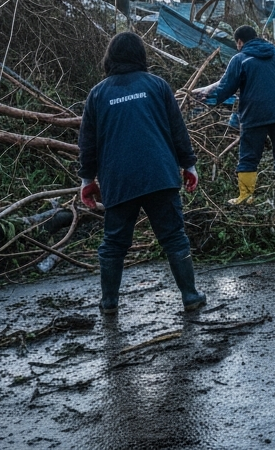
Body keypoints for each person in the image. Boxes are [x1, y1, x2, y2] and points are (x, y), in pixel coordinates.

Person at [78, 32, 205, 316]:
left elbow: (88, 143)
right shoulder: (158, 86)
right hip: (159, 175)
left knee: (114, 243)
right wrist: (190, 165)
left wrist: (87, 180)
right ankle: (190, 295)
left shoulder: (98, 94)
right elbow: (177, 131)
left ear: (110, 57)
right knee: (173, 236)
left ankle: (109, 303)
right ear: (141, 55)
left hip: (119, 180)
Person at [198, 26, 275, 207]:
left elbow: (226, 87)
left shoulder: (240, 59)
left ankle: (246, 196)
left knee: (249, 155)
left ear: (239, 42)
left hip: (254, 115)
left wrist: (207, 101)